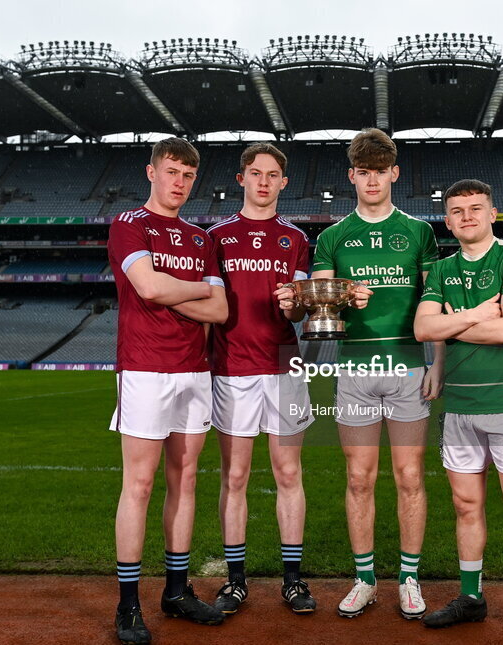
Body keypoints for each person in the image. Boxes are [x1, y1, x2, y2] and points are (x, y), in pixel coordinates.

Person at [310, 128, 443, 619]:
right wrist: (345, 294)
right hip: (355, 371)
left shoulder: (419, 232)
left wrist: (437, 363)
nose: (371, 180)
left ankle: (409, 578)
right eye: (362, 172)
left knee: (410, 475)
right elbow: (320, 311)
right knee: (360, 477)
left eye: (379, 172)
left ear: (395, 174)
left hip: (408, 368)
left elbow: (436, 304)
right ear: (352, 175)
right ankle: (364, 578)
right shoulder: (331, 237)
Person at [413, 179, 503, 645]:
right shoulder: (441, 269)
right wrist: (475, 316)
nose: (467, 216)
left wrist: (451, 323)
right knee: (465, 505)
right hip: (460, 410)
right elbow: (420, 327)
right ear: (447, 221)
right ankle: (472, 599)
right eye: (457, 210)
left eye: (476, 208)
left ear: (493, 213)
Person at [107, 138, 229, 645]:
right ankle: (128, 604)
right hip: (145, 369)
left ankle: (176, 592)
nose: (178, 182)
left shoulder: (202, 240)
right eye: (171, 171)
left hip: (194, 371)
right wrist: (196, 289)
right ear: (151, 172)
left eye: (187, 175)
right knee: (139, 485)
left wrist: (181, 291)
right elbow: (148, 288)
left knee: (186, 480)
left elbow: (220, 312)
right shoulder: (130, 224)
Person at [206, 143, 318, 615]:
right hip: (232, 369)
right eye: (256, 173)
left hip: (283, 366)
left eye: (273, 175)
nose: (264, 181)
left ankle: (292, 580)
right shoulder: (215, 237)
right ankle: (235, 581)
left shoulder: (296, 240)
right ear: (241, 179)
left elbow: (302, 307)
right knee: (235, 475)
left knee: (289, 472)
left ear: (283, 183)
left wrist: (297, 302)